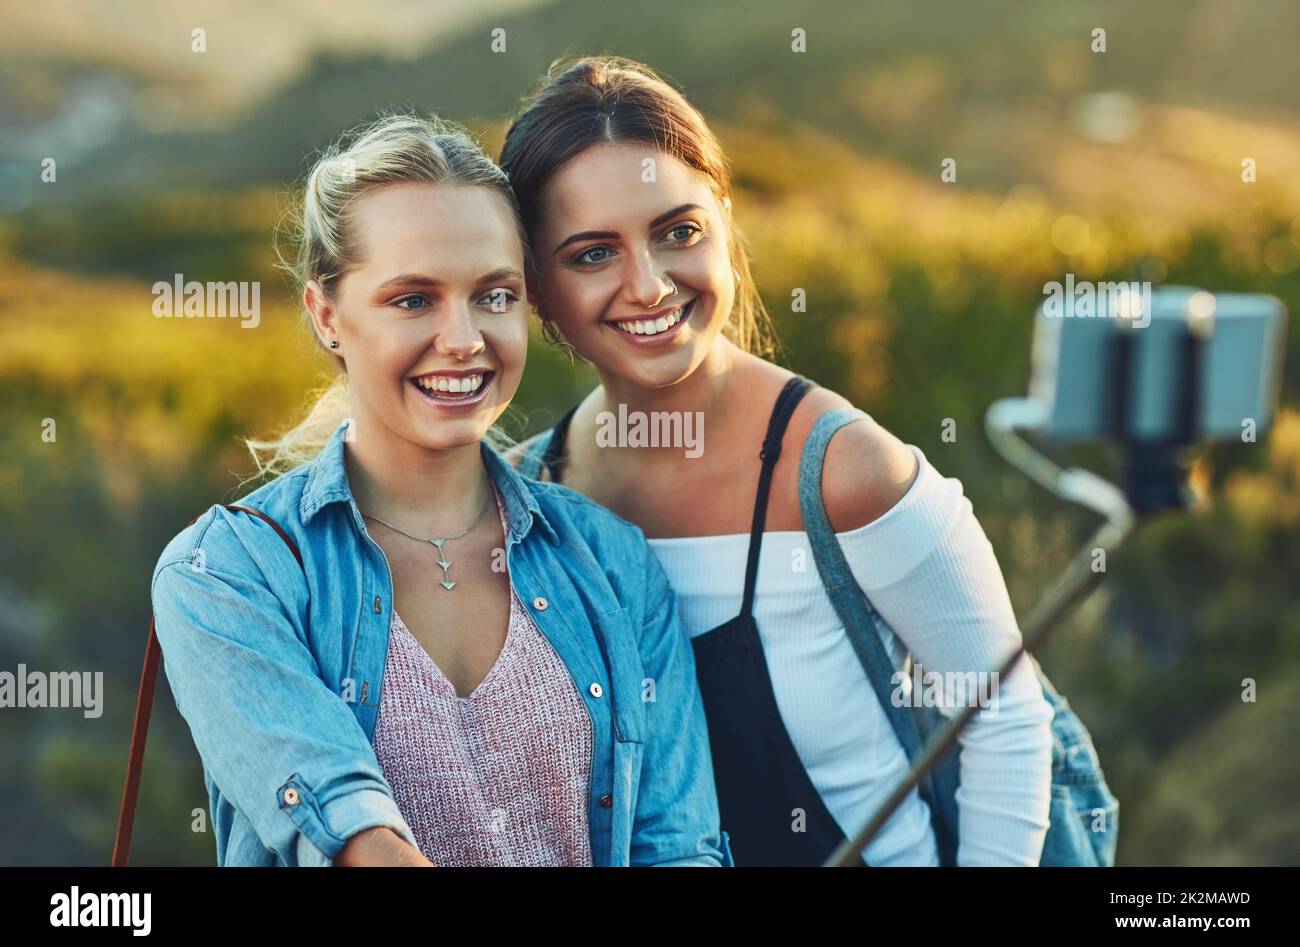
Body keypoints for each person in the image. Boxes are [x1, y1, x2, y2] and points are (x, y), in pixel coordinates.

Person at [501, 57, 1056, 865]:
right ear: (535, 284)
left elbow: (1003, 717)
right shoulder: (528, 494)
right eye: (592, 254)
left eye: (677, 232)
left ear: (725, 221)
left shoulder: (844, 470)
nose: (650, 285)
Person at [150, 112, 725, 867]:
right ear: (327, 315)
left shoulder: (614, 564)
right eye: (413, 299)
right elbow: (356, 839)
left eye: (494, 295)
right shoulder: (227, 575)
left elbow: (680, 850)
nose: (463, 340)